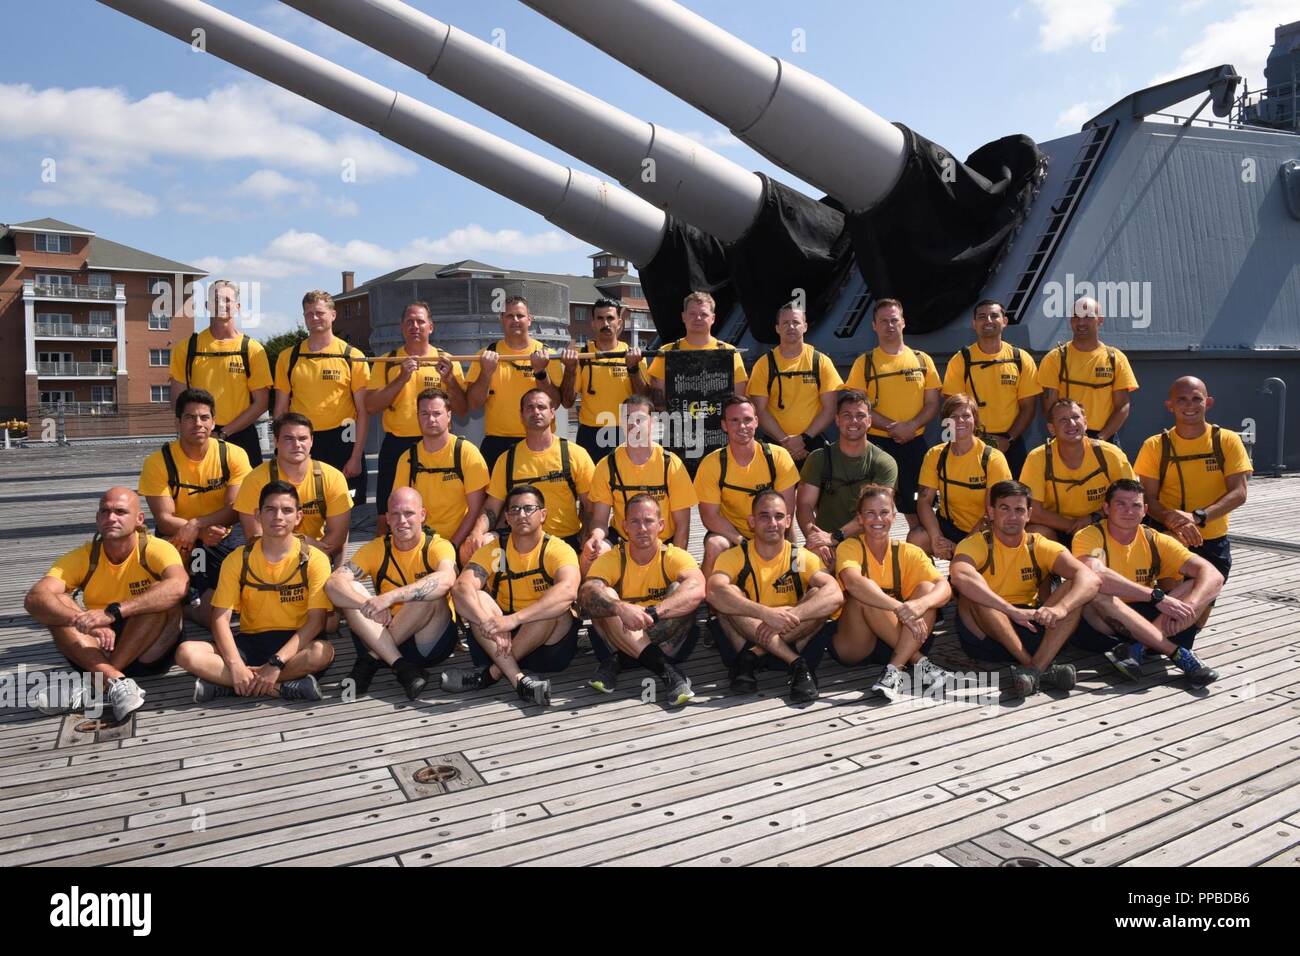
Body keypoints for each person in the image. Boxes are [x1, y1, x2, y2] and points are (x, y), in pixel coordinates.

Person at [25, 488, 188, 721]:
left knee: (161, 597)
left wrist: (113, 614)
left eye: (121, 512)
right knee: (57, 603)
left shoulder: (155, 548)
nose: (111, 518)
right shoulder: (85, 555)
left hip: (147, 647)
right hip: (97, 645)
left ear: (139, 519)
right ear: (97, 518)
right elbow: (34, 598)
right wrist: (81, 621)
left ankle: (95, 685)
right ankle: (115, 681)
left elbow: (179, 586)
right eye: (105, 512)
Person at [176, 481, 335, 703]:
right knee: (186, 652)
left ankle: (230, 686)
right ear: (257, 515)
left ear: (299, 517)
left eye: (287, 510)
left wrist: (276, 663)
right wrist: (235, 665)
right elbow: (220, 620)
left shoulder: (315, 558)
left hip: (295, 645)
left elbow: (316, 622)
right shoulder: (237, 558)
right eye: (270, 510)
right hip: (250, 642)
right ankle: (279, 688)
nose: (278, 517)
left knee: (322, 652)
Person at [949, 480, 1101, 697]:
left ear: (1029, 514)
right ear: (991, 512)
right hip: (986, 634)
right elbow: (960, 576)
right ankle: (1040, 666)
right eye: (1005, 508)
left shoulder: (1038, 544)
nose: (1012, 516)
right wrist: (1011, 611)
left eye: (1019, 510)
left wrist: (1061, 609)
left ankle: (1034, 669)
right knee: (974, 594)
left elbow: (1090, 579)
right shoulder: (975, 544)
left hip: (1031, 625)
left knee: (1075, 588)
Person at [1071, 479, 1222, 686]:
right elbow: (1097, 574)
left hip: (1147, 614)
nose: (1129, 511)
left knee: (1199, 584)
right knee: (1096, 591)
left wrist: (1189, 606)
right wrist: (1155, 596)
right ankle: (1175, 653)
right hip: (1106, 620)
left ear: (1145, 510)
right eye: (1120, 504)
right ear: (1106, 508)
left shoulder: (1155, 538)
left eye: (1136, 505)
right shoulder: (1089, 536)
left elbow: (1213, 575)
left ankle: (1137, 648)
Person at [443, 484, 582, 707]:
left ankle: (491, 675)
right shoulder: (497, 550)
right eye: (515, 510)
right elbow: (461, 588)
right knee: (477, 597)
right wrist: (490, 622)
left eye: (529, 508)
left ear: (543, 514)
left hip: (544, 645)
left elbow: (568, 591)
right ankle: (520, 681)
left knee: (555, 607)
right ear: (506, 518)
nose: (521, 515)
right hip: (497, 641)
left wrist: (513, 620)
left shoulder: (556, 549)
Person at [707, 490, 844, 703]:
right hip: (748, 637)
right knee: (728, 593)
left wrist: (789, 616)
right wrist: (766, 614)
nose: (772, 522)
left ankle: (754, 655)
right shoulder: (735, 556)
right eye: (764, 516)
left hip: (787, 639)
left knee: (820, 595)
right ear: (752, 521)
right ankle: (797, 664)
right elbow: (713, 592)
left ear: (788, 521)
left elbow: (835, 595)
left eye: (779, 516)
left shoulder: (798, 557)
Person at [1133, 376, 1250, 623]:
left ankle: (1153, 643)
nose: (1190, 405)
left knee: (1195, 623)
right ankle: (1151, 643)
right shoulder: (1155, 446)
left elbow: (1239, 492)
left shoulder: (1227, 440)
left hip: (1213, 538)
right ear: (1170, 405)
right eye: (1182, 399)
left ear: (1208, 402)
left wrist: (1197, 517)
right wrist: (1177, 522)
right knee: (1172, 606)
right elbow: (1148, 498)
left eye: (1196, 398)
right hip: (1169, 534)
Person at [325, 488, 457, 700]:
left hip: (427, 641)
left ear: (423, 515)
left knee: (429, 592)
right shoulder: (376, 548)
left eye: (409, 513)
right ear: (386, 519)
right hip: (381, 632)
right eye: (395, 514)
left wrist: (390, 597)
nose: (401, 520)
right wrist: (366, 604)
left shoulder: (438, 546)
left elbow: (447, 579)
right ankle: (401, 667)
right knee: (350, 590)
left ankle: (369, 662)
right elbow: (333, 584)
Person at [138, 387, 251, 629]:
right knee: (210, 614)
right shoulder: (157, 462)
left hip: (222, 536)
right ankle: (181, 597)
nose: (197, 423)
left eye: (204, 417)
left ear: (214, 422)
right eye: (190, 417)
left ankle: (187, 599)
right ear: (178, 423)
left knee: (245, 601)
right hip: (177, 538)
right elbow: (165, 519)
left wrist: (198, 524)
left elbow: (235, 509)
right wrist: (196, 531)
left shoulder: (233, 455)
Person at [578, 494, 705, 706]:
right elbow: (586, 593)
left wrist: (653, 612)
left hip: (651, 631)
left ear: (661, 525)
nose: (642, 528)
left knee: (679, 589)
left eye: (648, 521)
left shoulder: (673, 556)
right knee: (605, 595)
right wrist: (620, 608)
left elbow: (698, 587)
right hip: (635, 636)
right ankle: (666, 671)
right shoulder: (613, 558)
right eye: (635, 521)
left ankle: (621, 659)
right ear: (624, 526)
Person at [832, 485, 953, 701]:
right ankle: (919, 662)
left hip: (895, 640)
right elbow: (853, 583)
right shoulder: (849, 547)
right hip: (856, 643)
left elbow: (944, 588)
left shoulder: (908, 552)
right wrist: (899, 606)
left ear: (894, 516)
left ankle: (894, 671)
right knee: (866, 592)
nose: (878, 518)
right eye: (870, 513)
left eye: (884, 512)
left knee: (927, 590)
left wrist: (921, 604)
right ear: (860, 519)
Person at [365, 300, 468, 533]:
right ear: (402, 327)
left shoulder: (446, 360)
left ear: (430, 327)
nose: (415, 326)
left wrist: (451, 379)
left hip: (435, 446)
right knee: (388, 514)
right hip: (397, 444)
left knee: (436, 507)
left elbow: (461, 410)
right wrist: (401, 378)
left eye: (420, 321)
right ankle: (386, 563)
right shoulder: (387, 361)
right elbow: (370, 406)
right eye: (409, 321)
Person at [843, 299, 941, 529]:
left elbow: (933, 402)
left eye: (894, 320)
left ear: (903, 322)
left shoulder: (922, 360)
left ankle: (920, 558)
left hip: (915, 444)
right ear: (874, 326)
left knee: (917, 507)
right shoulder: (864, 363)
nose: (889, 325)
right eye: (883, 321)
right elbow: (858, 407)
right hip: (877, 446)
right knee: (872, 507)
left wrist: (911, 426)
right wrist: (894, 427)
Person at [468, 388, 595, 554]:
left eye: (541, 407)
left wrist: (586, 535)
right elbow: (491, 508)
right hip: (518, 542)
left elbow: (590, 506)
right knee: (478, 543)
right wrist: (477, 532)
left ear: (552, 413)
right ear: (521, 415)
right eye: (530, 407)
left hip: (564, 541)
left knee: (596, 549)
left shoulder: (575, 454)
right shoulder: (507, 459)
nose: (536, 412)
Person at [273, 290, 370, 502]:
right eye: (309, 314)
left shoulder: (352, 356)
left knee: (344, 509)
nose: (314, 318)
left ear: (333, 315)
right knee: (302, 504)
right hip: (303, 440)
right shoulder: (288, 357)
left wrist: (355, 457)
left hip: (344, 438)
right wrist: (278, 447)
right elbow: (280, 410)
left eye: (319, 313)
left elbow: (363, 412)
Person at [583, 394, 697, 572]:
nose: (634, 424)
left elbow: (682, 525)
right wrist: (596, 537)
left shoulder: (670, 464)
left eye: (640, 419)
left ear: (652, 422)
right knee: (593, 555)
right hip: (623, 540)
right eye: (628, 418)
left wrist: (673, 563)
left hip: (663, 543)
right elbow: (599, 519)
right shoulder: (607, 465)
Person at [694, 394, 801, 576]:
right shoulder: (712, 463)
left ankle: (796, 583)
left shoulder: (778, 457)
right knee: (714, 545)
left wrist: (763, 540)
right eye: (734, 421)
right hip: (732, 534)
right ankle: (704, 596)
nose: (742, 426)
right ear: (724, 426)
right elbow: (710, 517)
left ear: (757, 422)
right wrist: (743, 542)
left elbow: (786, 513)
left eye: (747, 419)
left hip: (772, 527)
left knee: (796, 554)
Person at [169, 278, 271, 466]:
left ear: (237, 306)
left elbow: (262, 402)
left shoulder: (252, 349)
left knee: (247, 494)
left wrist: (224, 433)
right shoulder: (186, 348)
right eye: (216, 300)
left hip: (241, 435)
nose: (221, 305)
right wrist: (196, 431)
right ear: (208, 305)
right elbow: (178, 401)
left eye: (227, 300)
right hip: (199, 434)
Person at [796, 390, 898, 569]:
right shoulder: (818, 458)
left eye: (860, 416)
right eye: (847, 415)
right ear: (837, 420)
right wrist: (816, 540)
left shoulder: (884, 462)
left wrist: (835, 537)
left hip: (868, 543)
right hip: (824, 544)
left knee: (854, 584)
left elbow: (878, 513)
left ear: (870, 421)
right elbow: (804, 506)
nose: (854, 421)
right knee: (799, 566)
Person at [233, 413, 352, 564]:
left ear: (312, 441)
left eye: (303, 438)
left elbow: (337, 536)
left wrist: (307, 557)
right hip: (272, 559)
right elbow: (255, 538)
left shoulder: (332, 477)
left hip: (316, 556)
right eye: (289, 439)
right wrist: (302, 541)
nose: (297, 445)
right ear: (276, 441)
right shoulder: (254, 480)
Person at [390, 388, 490, 565]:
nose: (431, 419)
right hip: (422, 542)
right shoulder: (407, 457)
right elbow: (399, 508)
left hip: (459, 540)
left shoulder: (467, 453)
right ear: (417, 417)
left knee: (485, 542)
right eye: (424, 413)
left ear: (449, 416)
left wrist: (451, 546)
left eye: (437, 413)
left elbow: (476, 509)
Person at [941, 299, 1040, 476]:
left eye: (994, 316)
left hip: (1011, 443)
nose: (988, 320)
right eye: (982, 317)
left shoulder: (1021, 359)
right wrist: (974, 439)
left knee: (1014, 497)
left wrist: (1008, 439)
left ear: (1005, 321)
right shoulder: (960, 360)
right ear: (974, 324)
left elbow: (1028, 407)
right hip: (970, 441)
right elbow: (952, 407)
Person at [466, 295, 565, 468]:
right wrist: (486, 373)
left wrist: (540, 372)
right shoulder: (486, 355)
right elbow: (474, 403)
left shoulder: (547, 354)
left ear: (529, 319)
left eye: (520, 315)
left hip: (538, 440)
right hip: (497, 443)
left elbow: (555, 402)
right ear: (501, 319)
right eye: (509, 316)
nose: (515, 320)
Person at [911, 393, 1012, 559]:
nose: (960, 421)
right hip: (949, 527)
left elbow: (992, 513)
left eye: (966, 416)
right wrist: (936, 538)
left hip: (984, 531)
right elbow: (924, 501)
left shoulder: (993, 459)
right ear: (946, 423)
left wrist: (962, 547)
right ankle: (930, 580)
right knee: (917, 539)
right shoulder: (935, 455)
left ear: (975, 421)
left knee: (963, 574)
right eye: (954, 417)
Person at [1021, 399, 1134, 541]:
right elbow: (1034, 512)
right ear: (1051, 428)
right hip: (1058, 526)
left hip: (1100, 524)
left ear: (1085, 422)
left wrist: (1094, 518)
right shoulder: (1037, 457)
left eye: (1075, 417)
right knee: (1034, 535)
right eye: (1063, 420)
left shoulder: (1110, 453)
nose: (1071, 424)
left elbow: (1130, 499)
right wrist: (1073, 525)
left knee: (1124, 524)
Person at [747, 304, 842, 462]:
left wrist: (804, 439)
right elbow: (760, 410)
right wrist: (786, 441)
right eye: (785, 323)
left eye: (796, 322)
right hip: (776, 445)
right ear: (777, 328)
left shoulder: (821, 362)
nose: (791, 327)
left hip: (812, 444)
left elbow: (830, 408)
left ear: (805, 327)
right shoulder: (763, 365)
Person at [1037, 296, 1138, 442]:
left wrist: (1100, 439)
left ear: (1100, 319)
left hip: (1104, 439)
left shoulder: (1116, 358)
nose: (1081, 322)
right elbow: (1049, 407)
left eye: (1088, 316)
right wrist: (1067, 436)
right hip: (1066, 437)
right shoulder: (1054, 359)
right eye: (1076, 317)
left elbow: (1122, 405)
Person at [561, 298, 650, 460]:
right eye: (600, 318)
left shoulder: (634, 355)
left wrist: (633, 368)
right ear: (593, 323)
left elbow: (645, 398)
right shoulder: (582, 356)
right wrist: (570, 369)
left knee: (628, 482)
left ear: (619, 322)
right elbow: (567, 402)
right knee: (591, 483)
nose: (606, 323)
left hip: (627, 430)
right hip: (591, 433)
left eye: (610, 318)